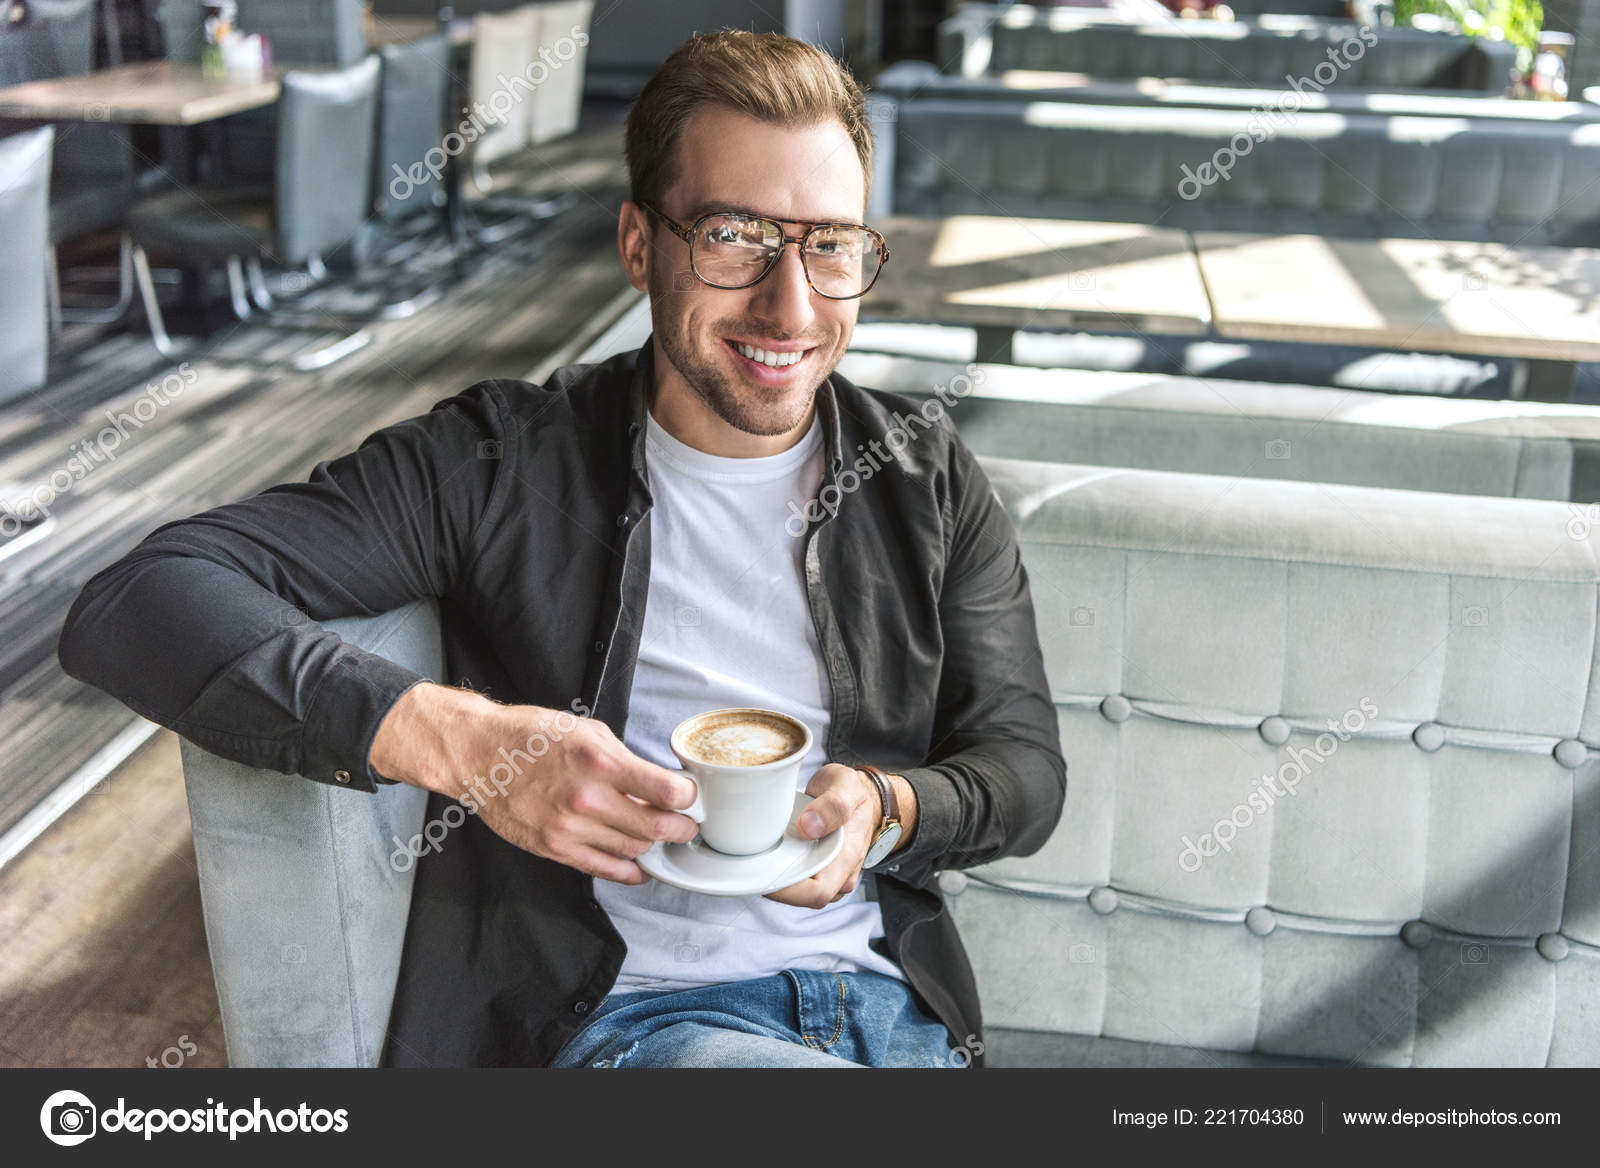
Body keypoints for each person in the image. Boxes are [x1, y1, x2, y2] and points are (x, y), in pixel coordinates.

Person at [58, 29, 1066, 1068]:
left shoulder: (923, 472)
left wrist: (891, 807)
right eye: (735, 235)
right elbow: (136, 597)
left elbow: (1024, 770)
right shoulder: (501, 459)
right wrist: (470, 748)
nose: (792, 305)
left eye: (831, 245)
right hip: (639, 1024)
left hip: (898, 1019)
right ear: (639, 245)